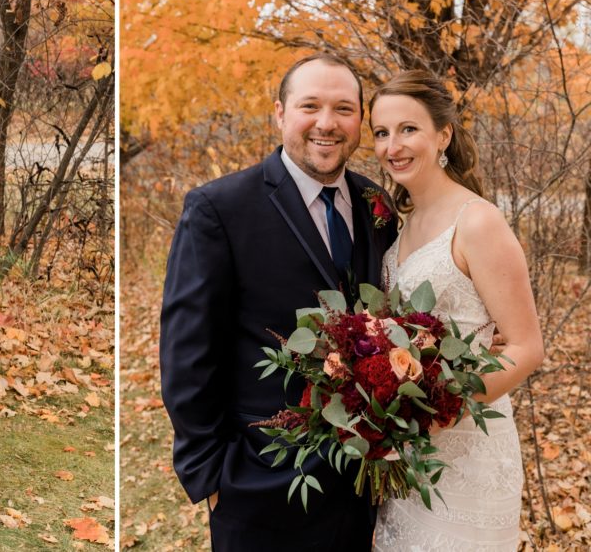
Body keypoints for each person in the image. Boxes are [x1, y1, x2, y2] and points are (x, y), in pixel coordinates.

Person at [159, 54, 398, 550]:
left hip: (359, 483)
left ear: (360, 120)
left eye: (344, 109)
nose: (327, 123)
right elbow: (186, 355)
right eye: (310, 105)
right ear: (280, 113)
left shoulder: (378, 205)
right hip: (258, 481)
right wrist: (212, 476)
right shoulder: (219, 209)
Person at [368, 71, 541, 548]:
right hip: (407, 457)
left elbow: (526, 347)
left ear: (442, 134)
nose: (392, 146)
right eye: (381, 133)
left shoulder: (478, 221)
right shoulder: (400, 225)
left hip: (467, 452)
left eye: (408, 129)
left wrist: (437, 412)